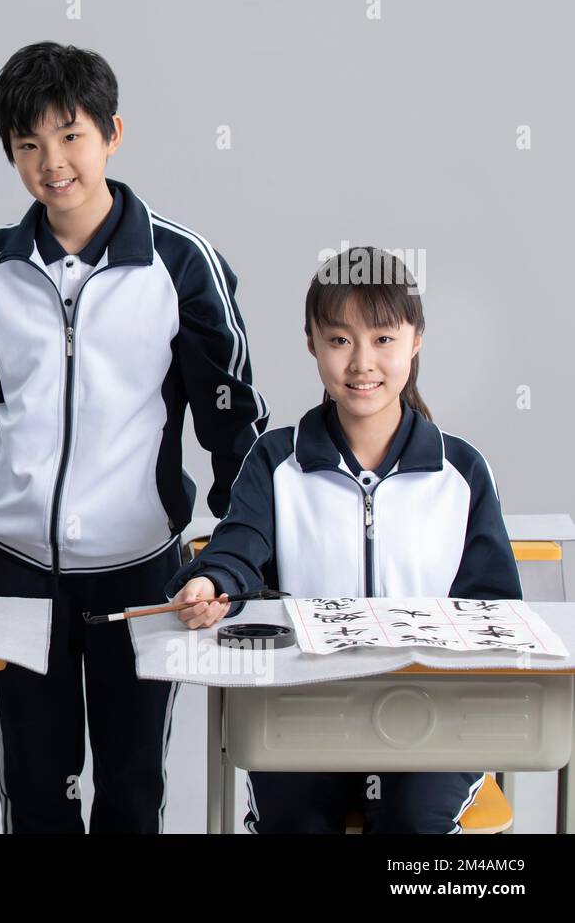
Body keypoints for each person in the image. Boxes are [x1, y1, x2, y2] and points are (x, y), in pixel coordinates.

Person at [0, 41, 268, 832]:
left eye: (71, 136)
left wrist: (244, 552)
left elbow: (231, 418)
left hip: (141, 572)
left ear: (111, 132)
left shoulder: (181, 264)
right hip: (21, 569)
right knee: (34, 790)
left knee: (132, 785)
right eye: (29, 145)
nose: (53, 163)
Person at [167, 246, 521, 833]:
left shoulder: (460, 471)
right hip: (307, 705)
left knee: (412, 820)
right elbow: (239, 544)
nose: (362, 363)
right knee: (299, 822)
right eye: (339, 340)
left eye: (383, 338)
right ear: (311, 343)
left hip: (431, 714)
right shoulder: (276, 459)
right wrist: (210, 580)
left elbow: (495, 604)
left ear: (416, 340)